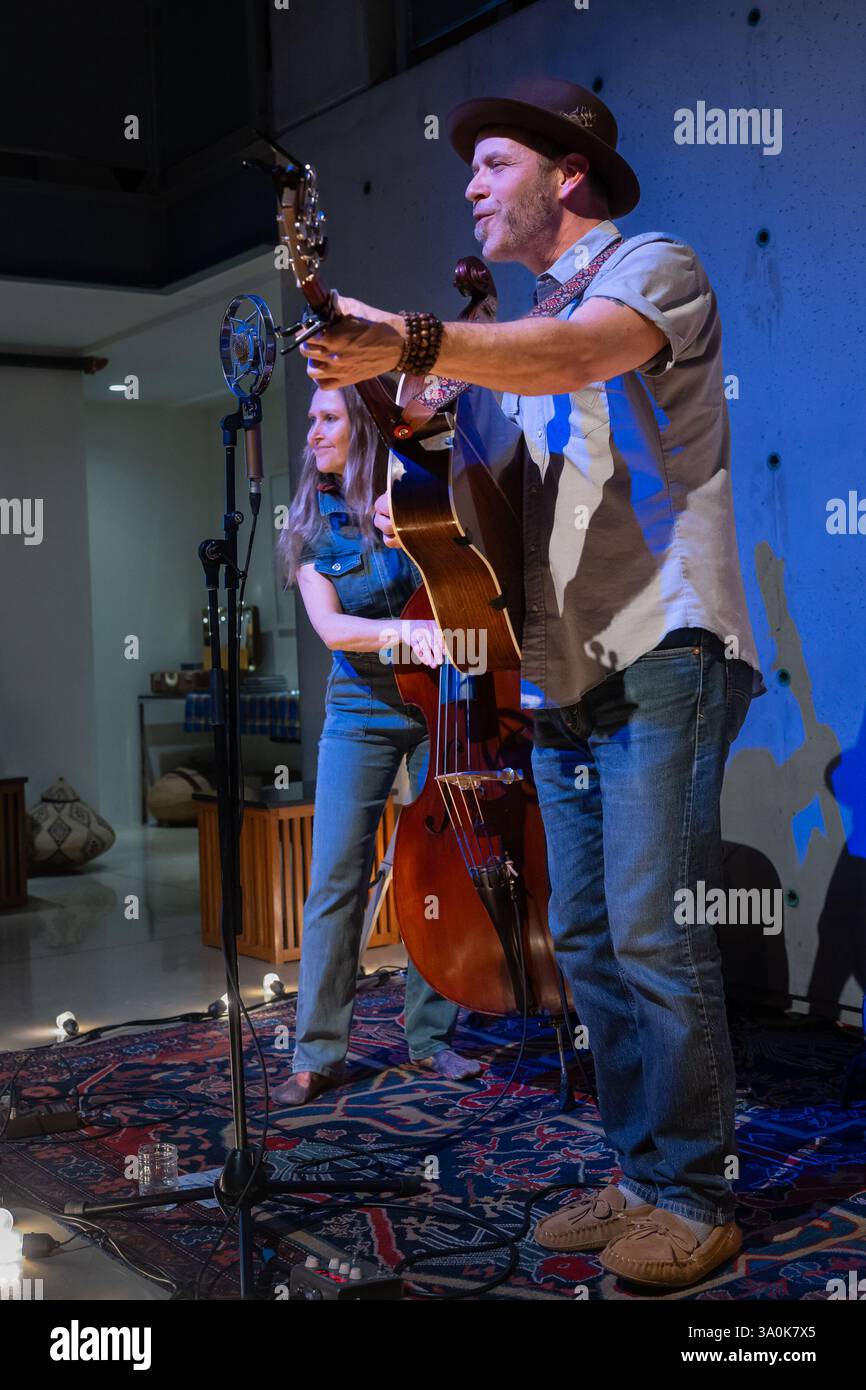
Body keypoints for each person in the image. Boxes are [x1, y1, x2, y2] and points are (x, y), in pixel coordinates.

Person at [295, 77, 767, 1288]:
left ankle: (696, 1192)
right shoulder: (515, 341)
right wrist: (414, 422)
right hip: (557, 672)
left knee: (656, 934)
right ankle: (638, 1172)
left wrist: (416, 338)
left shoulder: (654, 267)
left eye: (492, 162)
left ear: (566, 173)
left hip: (665, 645)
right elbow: (490, 522)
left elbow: (579, 352)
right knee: (592, 938)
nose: (467, 184)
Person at [272, 384, 481, 1106]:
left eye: (328, 418)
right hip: (360, 707)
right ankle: (317, 1052)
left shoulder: (418, 497)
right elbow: (334, 630)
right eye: (311, 420)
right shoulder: (307, 527)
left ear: (362, 426)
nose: (313, 433)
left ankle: (432, 1040)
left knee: (432, 871)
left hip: (439, 706)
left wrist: (428, 537)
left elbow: (471, 580)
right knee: (337, 873)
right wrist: (411, 633)